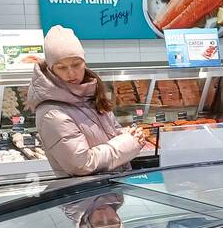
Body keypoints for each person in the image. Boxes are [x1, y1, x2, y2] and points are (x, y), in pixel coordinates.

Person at [27, 25, 142, 176]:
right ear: (51, 69)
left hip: (109, 191)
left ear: (84, 62)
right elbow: (82, 165)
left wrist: (130, 134)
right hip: (86, 196)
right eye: (61, 67)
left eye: (76, 64)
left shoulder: (89, 94)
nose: (71, 73)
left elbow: (112, 133)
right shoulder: (51, 113)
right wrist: (129, 143)